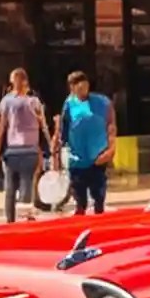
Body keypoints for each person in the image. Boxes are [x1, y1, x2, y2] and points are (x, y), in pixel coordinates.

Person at [0, 68, 52, 223]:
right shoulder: (34, 102)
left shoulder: (6, 102)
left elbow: (0, 128)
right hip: (29, 150)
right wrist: (50, 148)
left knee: (10, 189)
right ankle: (24, 220)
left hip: (12, 151)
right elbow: (43, 127)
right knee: (26, 187)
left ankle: (10, 221)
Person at [53, 71, 116, 216]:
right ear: (72, 88)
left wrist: (111, 149)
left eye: (84, 84)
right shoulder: (68, 104)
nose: (81, 88)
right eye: (77, 86)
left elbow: (111, 126)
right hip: (77, 160)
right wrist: (57, 154)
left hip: (98, 157)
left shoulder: (103, 102)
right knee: (80, 202)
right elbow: (63, 130)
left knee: (99, 200)